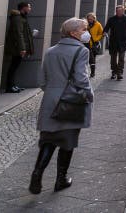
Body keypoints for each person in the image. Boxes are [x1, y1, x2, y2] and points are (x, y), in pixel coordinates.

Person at [29, 17, 93, 194]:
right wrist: (89, 95)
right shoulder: (81, 51)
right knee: (67, 141)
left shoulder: (50, 51)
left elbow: (42, 80)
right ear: (73, 33)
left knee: (48, 139)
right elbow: (81, 78)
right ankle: (61, 179)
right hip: (71, 102)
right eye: (83, 29)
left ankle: (37, 174)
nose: (85, 32)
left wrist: (53, 91)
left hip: (51, 100)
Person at [4, 2, 35, 93]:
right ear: (23, 8)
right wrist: (22, 48)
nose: (30, 9)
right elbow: (19, 34)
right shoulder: (18, 18)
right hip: (17, 48)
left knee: (14, 66)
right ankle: (10, 87)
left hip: (18, 47)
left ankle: (12, 85)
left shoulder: (21, 18)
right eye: (29, 7)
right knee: (13, 67)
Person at [103, 5, 126, 80]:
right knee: (113, 59)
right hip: (113, 41)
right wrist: (105, 32)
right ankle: (114, 71)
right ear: (116, 11)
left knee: (121, 58)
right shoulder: (111, 19)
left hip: (123, 42)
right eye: (117, 11)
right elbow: (107, 27)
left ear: (123, 11)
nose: (119, 12)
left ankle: (119, 72)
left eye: (120, 11)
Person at [84, 13, 103, 78]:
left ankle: (92, 72)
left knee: (92, 59)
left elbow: (101, 33)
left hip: (93, 44)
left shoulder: (98, 24)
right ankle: (85, 72)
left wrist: (96, 39)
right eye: (89, 19)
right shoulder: (85, 24)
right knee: (86, 58)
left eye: (91, 19)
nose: (90, 20)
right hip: (85, 43)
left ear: (94, 18)